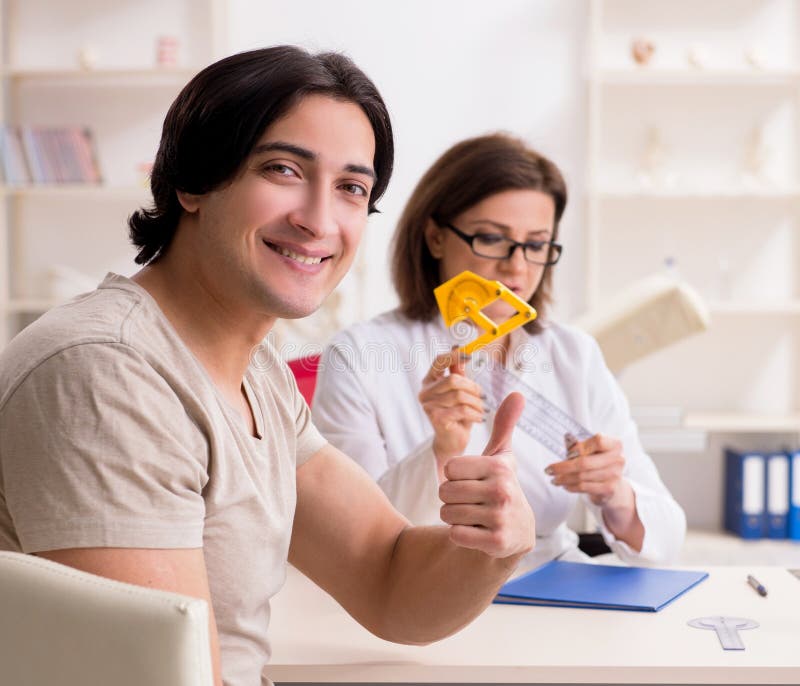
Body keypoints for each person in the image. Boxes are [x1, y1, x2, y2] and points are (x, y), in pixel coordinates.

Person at [0, 49, 536, 686]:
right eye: (283, 169)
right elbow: (153, 676)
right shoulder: (104, 373)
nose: (318, 219)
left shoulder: (260, 376)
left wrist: (491, 544)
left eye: (351, 189)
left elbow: (390, 580)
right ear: (194, 181)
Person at [313, 133, 686, 572]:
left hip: (550, 586)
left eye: (536, 244)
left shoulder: (574, 355)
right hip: (419, 590)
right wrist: (443, 450)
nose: (517, 265)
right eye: (492, 238)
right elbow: (355, 540)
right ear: (435, 237)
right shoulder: (359, 355)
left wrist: (613, 493)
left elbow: (668, 535)